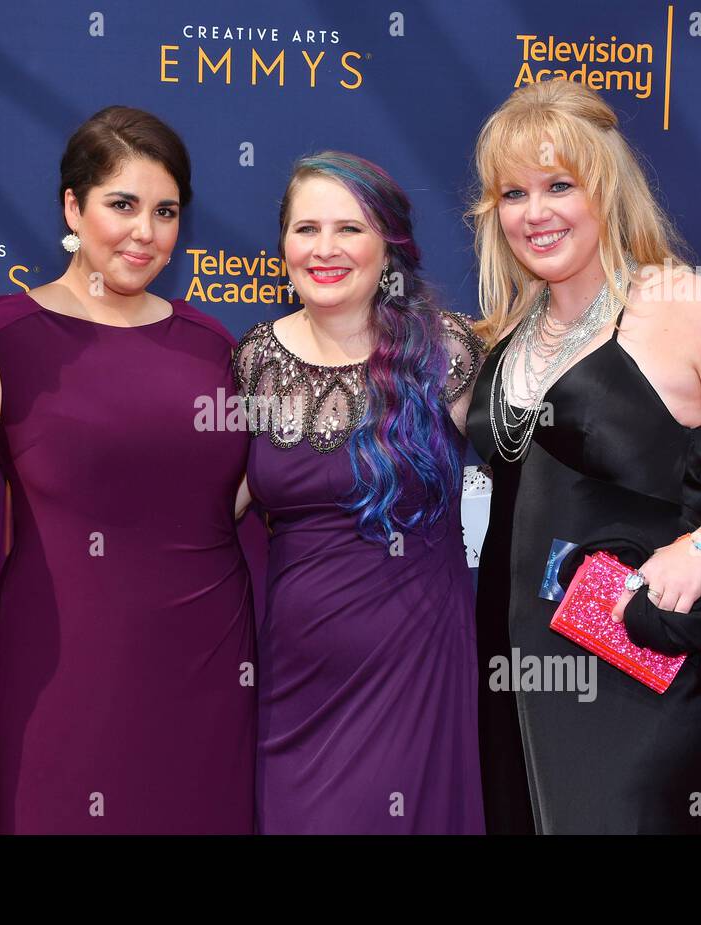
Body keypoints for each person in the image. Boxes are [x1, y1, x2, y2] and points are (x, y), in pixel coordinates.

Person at [463, 79, 701, 834]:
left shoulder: (684, 308)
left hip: (639, 677)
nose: (535, 212)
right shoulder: (503, 335)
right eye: (513, 193)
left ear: (606, 187)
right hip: (513, 676)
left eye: (559, 185)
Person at [0, 106, 256, 834]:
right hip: (60, 677)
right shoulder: (1, 338)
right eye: (122, 205)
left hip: (210, 673)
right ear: (72, 206)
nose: (144, 232)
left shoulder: (212, 344)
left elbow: (250, 497)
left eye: (165, 211)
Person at [233, 152, 486, 833]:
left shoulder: (446, 355)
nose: (324, 249)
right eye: (305, 228)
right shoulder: (254, 359)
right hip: (290, 679)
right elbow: (210, 511)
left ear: (389, 246)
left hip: (412, 669)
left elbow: (546, 476)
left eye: (349, 228)